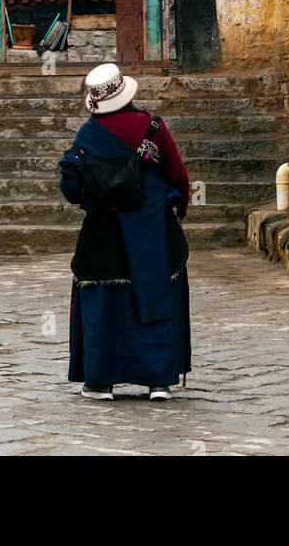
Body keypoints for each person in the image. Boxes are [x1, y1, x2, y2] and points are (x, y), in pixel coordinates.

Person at [58, 62, 191, 401]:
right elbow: (178, 175)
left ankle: (101, 382)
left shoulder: (88, 135)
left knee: (106, 303)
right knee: (156, 294)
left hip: (104, 230)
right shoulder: (153, 127)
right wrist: (179, 209)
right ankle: (158, 382)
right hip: (153, 228)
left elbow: (72, 188)